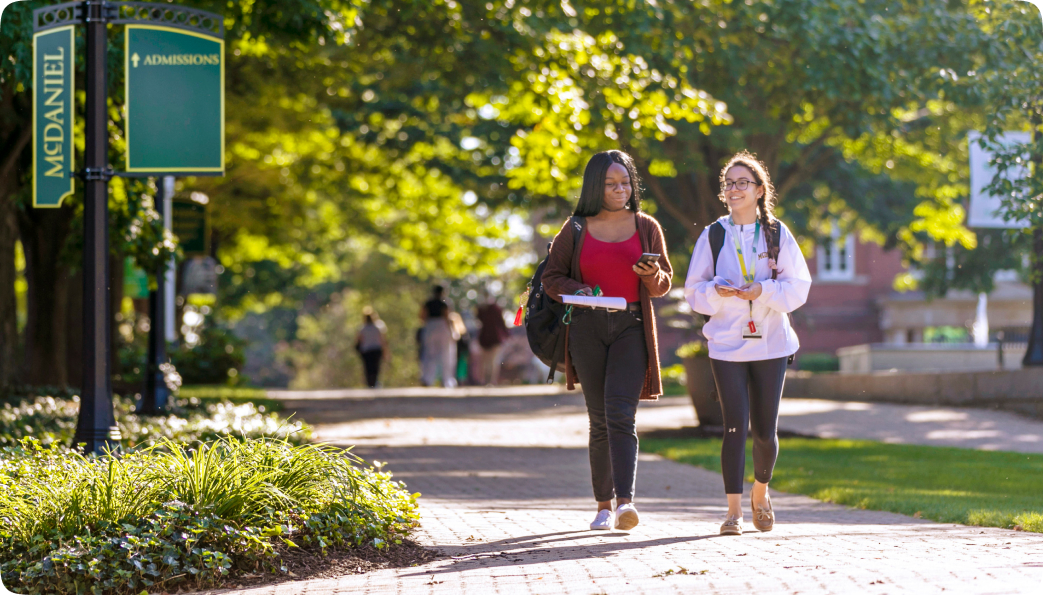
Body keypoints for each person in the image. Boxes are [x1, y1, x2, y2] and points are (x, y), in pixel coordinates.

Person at [542, 150, 673, 532]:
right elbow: (552, 278)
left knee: (620, 414)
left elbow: (663, 284)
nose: (620, 190)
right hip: (586, 328)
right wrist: (579, 289)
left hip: (631, 327)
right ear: (594, 187)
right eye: (611, 184)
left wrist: (650, 275)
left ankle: (625, 504)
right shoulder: (576, 228)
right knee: (599, 419)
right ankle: (602, 506)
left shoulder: (646, 225)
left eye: (626, 182)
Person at [683, 150, 811, 536]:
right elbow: (694, 290)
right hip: (725, 343)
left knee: (764, 432)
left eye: (743, 183)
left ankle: (760, 492)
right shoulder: (714, 234)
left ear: (760, 190)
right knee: (734, 427)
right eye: (729, 183)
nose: (734, 189)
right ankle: (734, 512)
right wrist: (717, 291)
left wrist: (763, 289)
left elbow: (798, 287)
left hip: (771, 343)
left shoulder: (776, 233)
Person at [420, 285, 457, 387]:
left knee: (429, 354)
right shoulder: (445, 303)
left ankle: (427, 379)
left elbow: (422, 317)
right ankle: (446, 380)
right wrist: (452, 332)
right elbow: (447, 317)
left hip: (430, 327)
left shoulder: (428, 303)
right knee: (445, 354)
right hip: (442, 328)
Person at [475, 294, 510, 385]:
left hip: (491, 339)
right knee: (489, 362)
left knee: (491, 361)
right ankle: (487, 381)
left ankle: (490, 381)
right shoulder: (487, 309)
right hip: (487, 339)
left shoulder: (492, 309)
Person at [355, 307, 389, 388]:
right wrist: (385, 351)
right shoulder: (377, 327)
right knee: (374, 367)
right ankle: (373, 383)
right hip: (375, 350)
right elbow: (383, 340)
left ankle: (371, 383)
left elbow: (358, 340)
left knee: (369, 368)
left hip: (367, 351)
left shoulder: (363, 328)